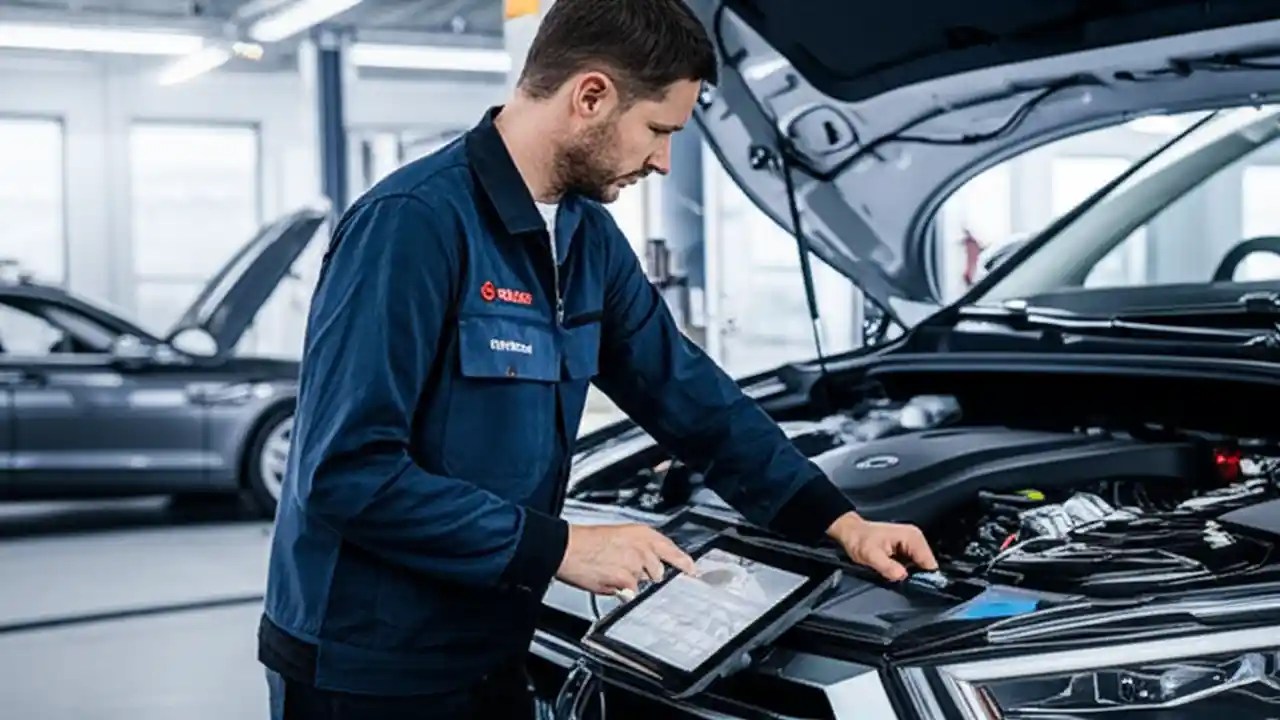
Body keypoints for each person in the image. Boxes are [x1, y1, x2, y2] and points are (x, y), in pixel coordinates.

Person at [259, 0, 938, 717]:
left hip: (492, 642)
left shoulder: (586, 239)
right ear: (591, 96)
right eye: (658, 131)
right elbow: (346, 471)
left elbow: (690, 396)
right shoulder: (413, 224)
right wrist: (559, 549)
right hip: (366, 665)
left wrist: (839, 522)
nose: (663, 161)